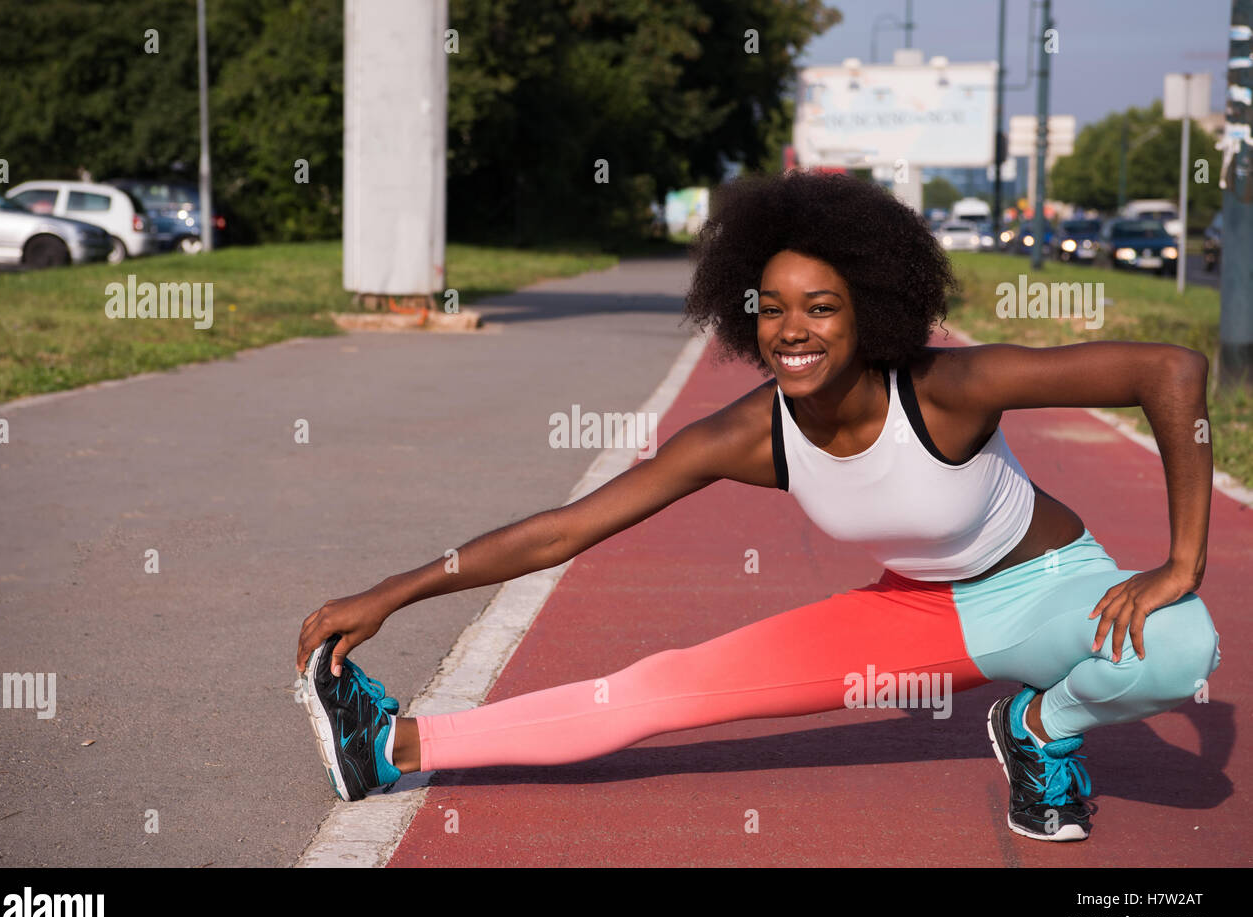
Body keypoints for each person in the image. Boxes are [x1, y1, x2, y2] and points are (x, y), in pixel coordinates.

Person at [296, 171, 1220, 842]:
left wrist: (1180, 562)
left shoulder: (948, 386)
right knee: (663, 688)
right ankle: (393, 745)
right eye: (772, 308)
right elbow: (565, 530)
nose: (793, 329)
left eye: (821, 307)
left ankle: (1037, 728)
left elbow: (1168, 369)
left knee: (1184, 647)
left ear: (871, 310)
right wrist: (390, 593)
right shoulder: (750, 433)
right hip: (922, 615)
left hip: (1058, 589)